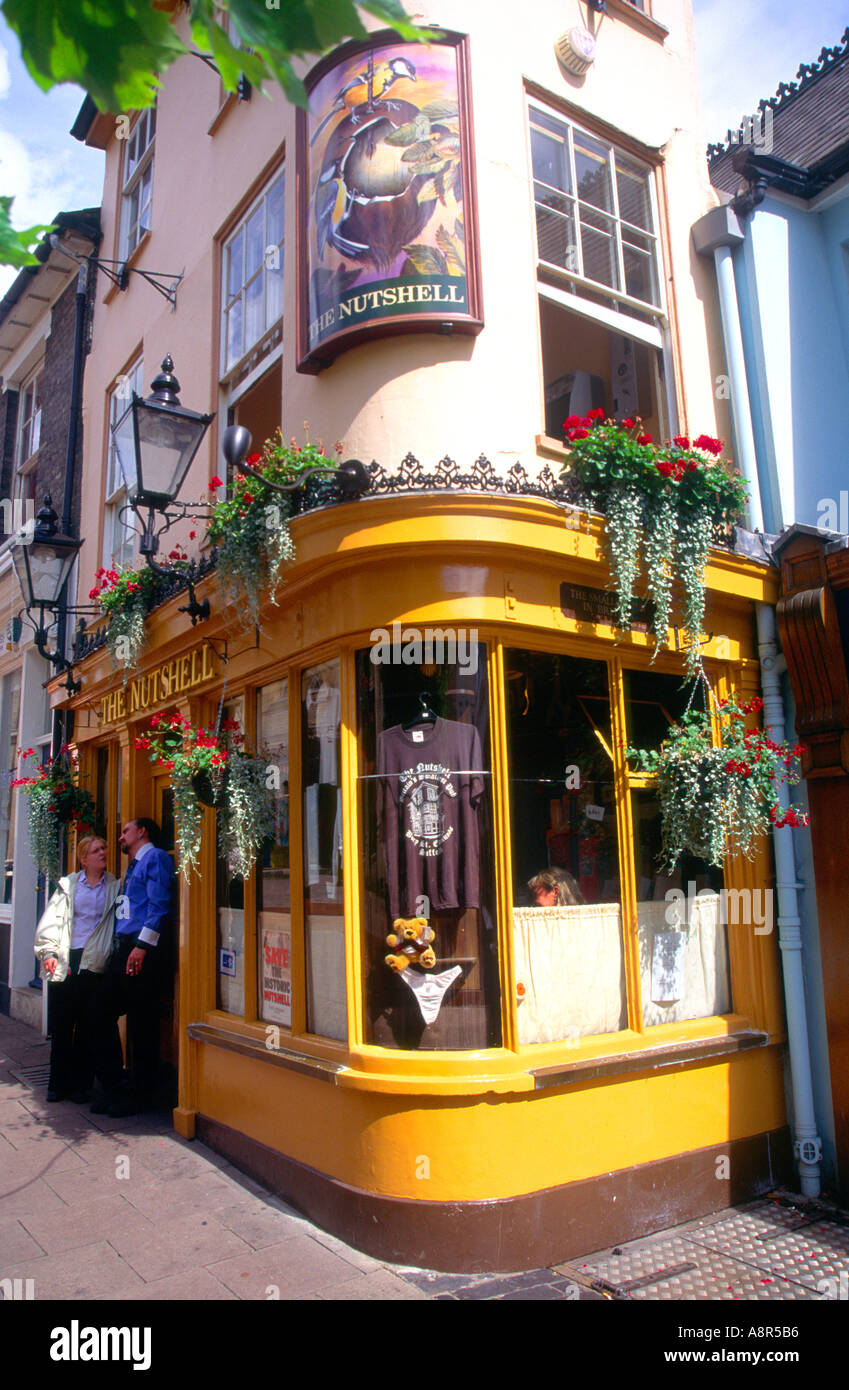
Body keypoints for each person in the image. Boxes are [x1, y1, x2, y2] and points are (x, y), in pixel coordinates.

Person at [33, 836, 122, 1104]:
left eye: (104, 848)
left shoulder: (114, 887)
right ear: (83, 859)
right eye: (95, 851)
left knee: (87, 1024)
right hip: (68, 958)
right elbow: (52, 921)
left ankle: (82, 1086)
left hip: (95, 960)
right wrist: (48, 952)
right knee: (62, 1024)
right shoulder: (68, 886)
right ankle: (57, 1085)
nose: (102, 853)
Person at [109, 816, 176, 1116]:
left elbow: (159, 905)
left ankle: (142, 1091)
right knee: (101, 1009)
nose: (121, 838)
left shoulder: (156, 858)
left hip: (142, 951)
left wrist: (142, 946)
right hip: (125, 948)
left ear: (142, 832)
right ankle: (118, 1082)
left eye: (126, 831)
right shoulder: (135, 864)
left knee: (142, 1019)